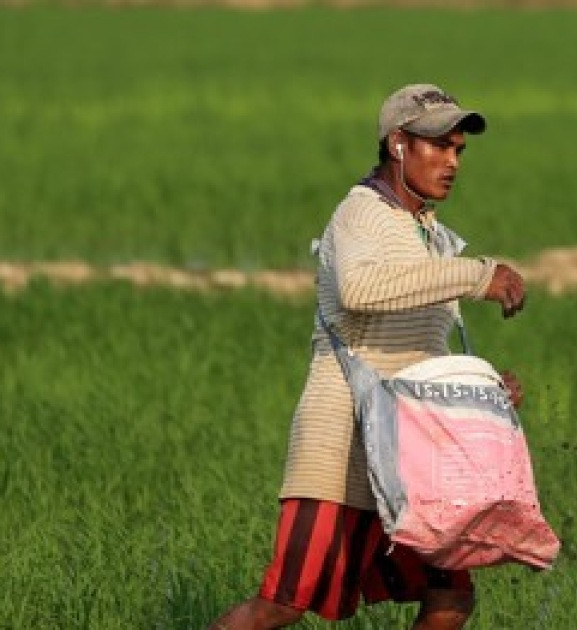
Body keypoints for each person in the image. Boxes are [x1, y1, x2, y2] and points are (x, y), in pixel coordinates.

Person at [209, 84, 527, 630]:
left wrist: (480, 388)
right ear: (399, 145)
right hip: (342, 443)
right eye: (439, 147)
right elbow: (360, 289)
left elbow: (420, 348)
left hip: (405, 449)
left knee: (450, 595)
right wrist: (476, 274)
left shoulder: (425, 230)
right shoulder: (360, 214)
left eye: (459, 150)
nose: (452, 162)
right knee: (284, 602)